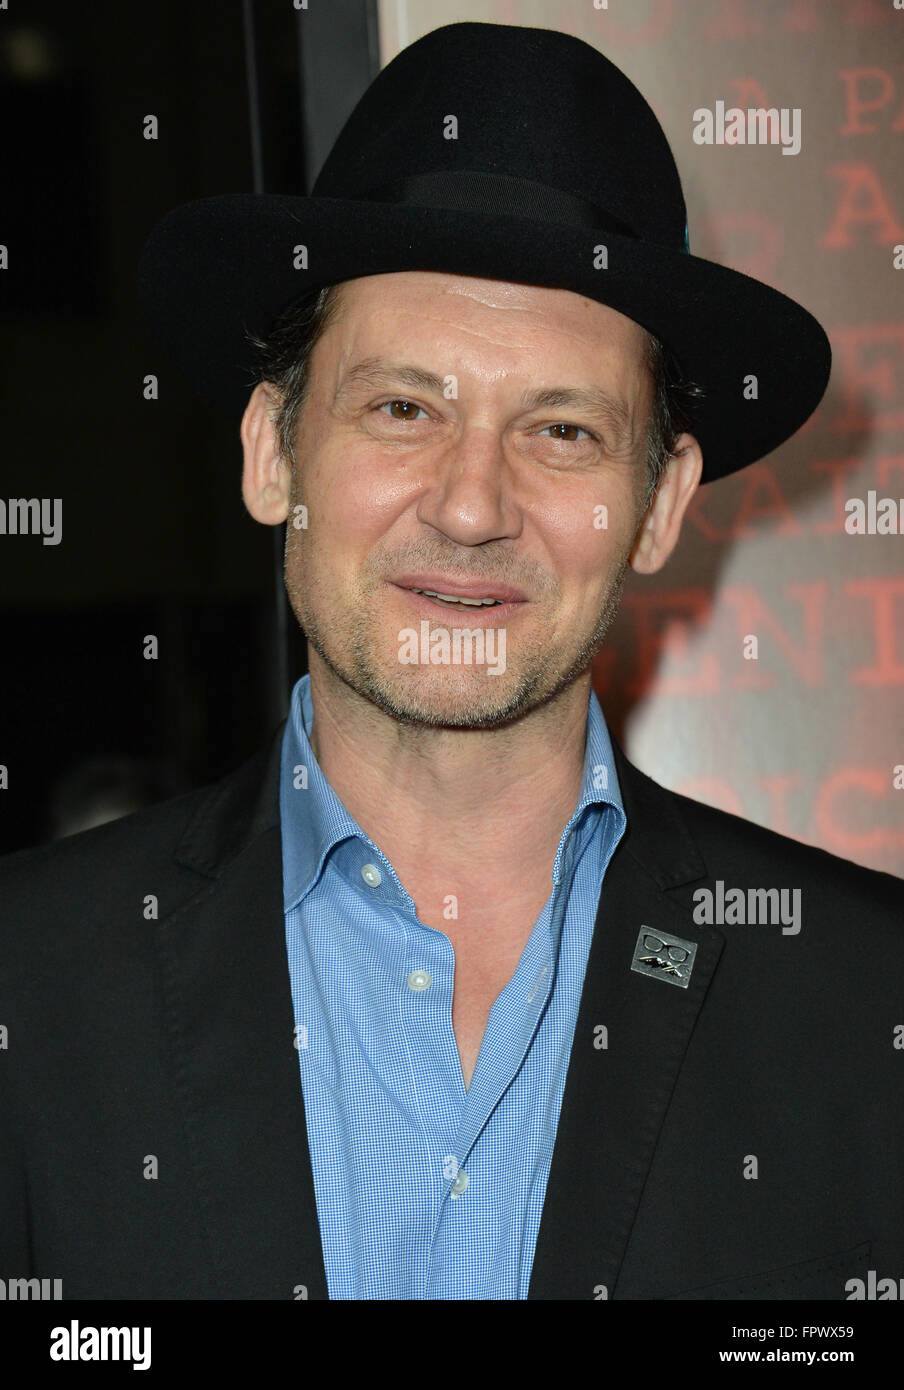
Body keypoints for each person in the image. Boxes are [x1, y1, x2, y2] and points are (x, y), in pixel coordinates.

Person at [1, 20, 901, 1302]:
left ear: (658, 502)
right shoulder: (30, 987)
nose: (472, 504)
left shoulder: (867, 1005)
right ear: (273, 452)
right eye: (403, 408)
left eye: (564, 429)